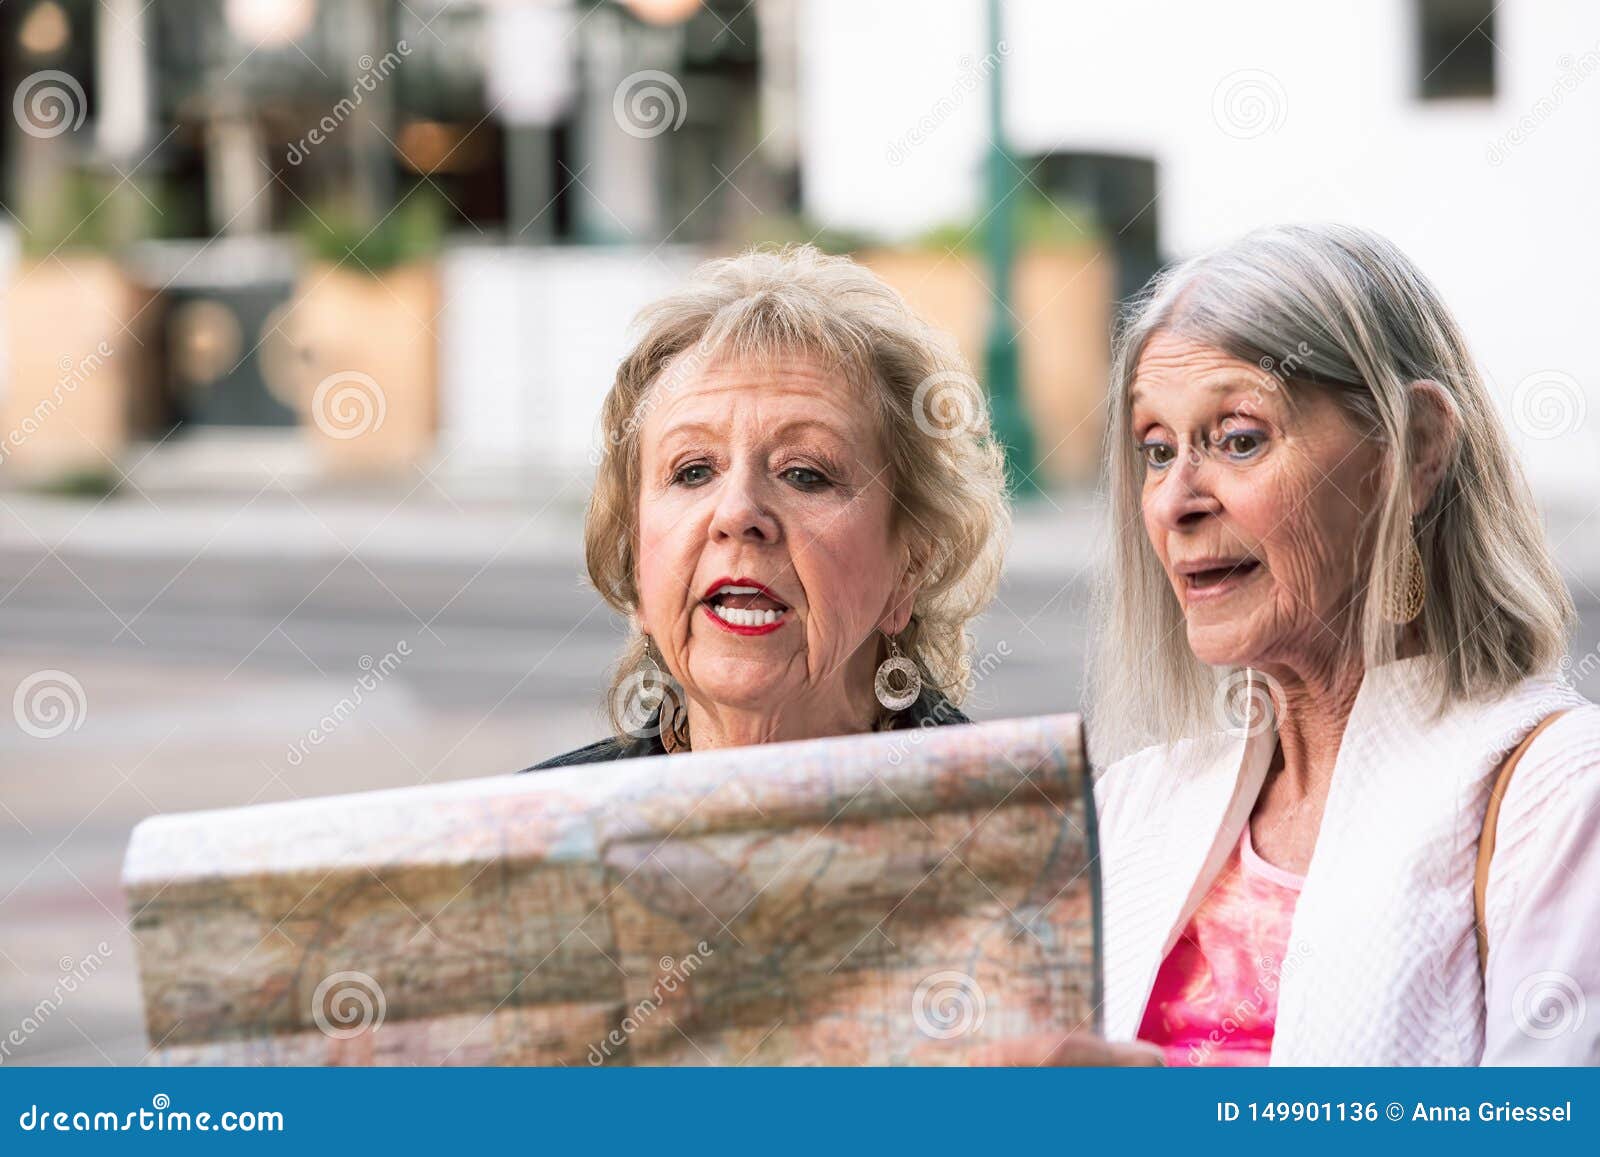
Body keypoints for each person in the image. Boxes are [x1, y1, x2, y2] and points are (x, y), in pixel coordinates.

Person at [989, 222, 1600, 1067]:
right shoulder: (1133, 802)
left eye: (1239, 438)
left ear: (1413, 449)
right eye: (1155, 450)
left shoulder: (1561, 799)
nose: (1174, 501)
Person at [523, 245, 1010, 769]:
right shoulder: (523, 836)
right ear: (634, 558)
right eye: (693, 471)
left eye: (804, 474)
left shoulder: (1024, 830)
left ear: (910, 566)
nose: (736, 514)